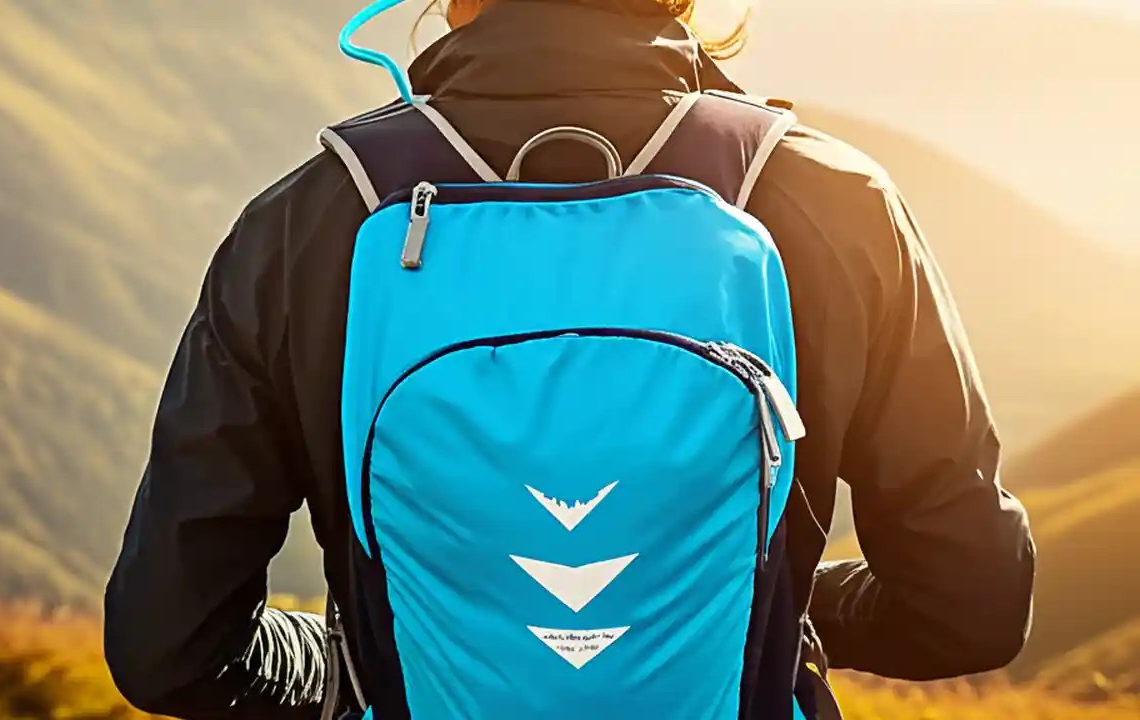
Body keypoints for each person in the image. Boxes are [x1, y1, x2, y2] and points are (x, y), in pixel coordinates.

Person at [104, 0, 1036, 718]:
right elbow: (971, 606)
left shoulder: (311, 224)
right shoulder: (830, 203)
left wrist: (356, 661)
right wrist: (762, 616)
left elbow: (170, 647)